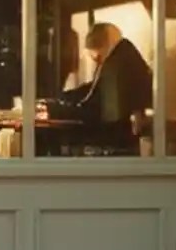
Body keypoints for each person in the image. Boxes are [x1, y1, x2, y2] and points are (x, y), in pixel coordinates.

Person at [56, 22, 152, 154]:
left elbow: (95, 107)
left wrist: (59, 108)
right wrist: (64, 98)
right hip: (125, 140)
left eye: (97, 58)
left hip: (116, 143)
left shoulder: (116, 65)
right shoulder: (123, 57)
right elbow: (95, 89)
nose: (96, 61)